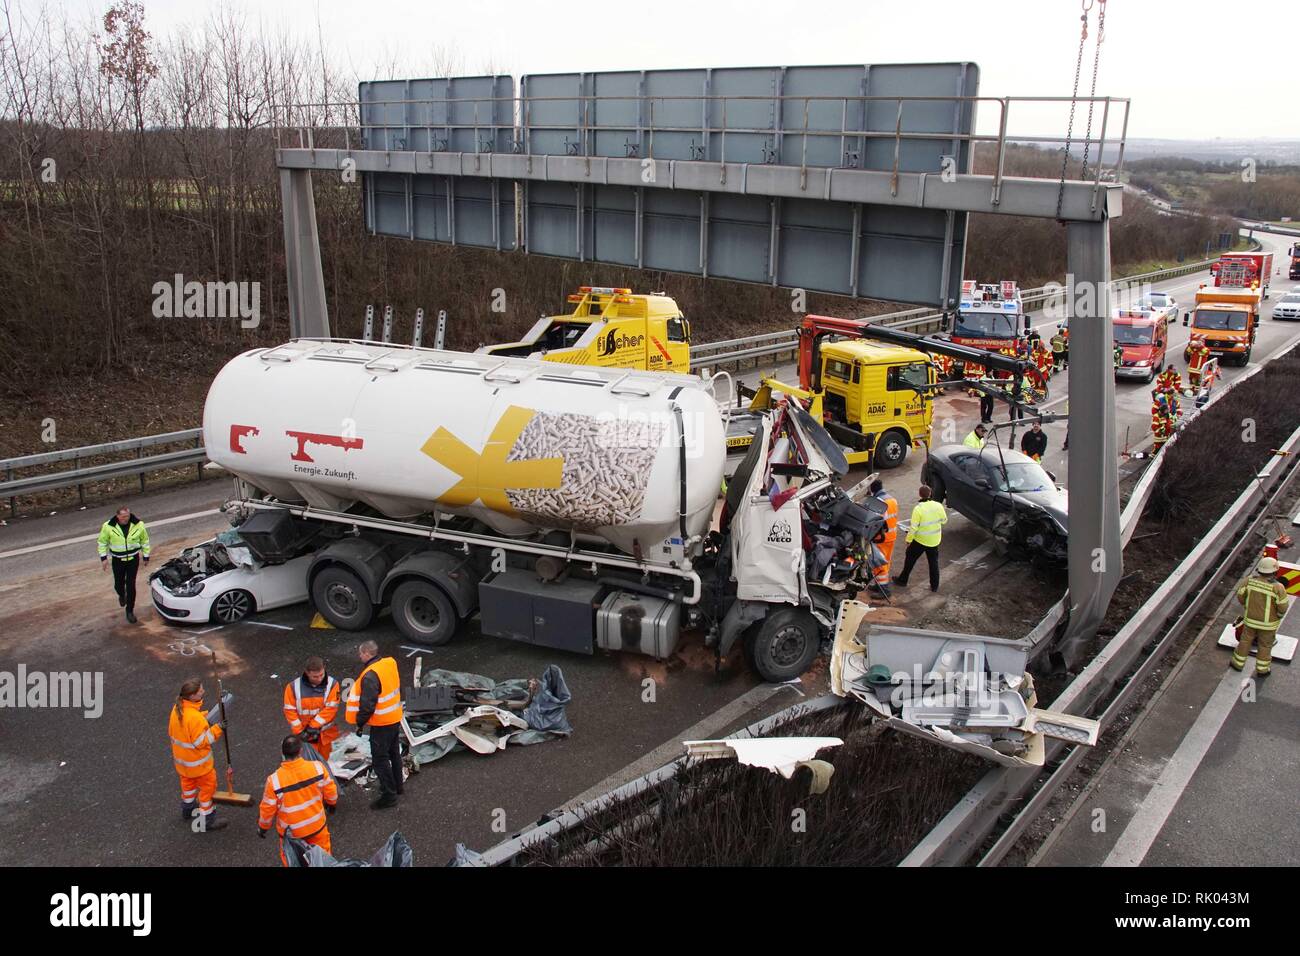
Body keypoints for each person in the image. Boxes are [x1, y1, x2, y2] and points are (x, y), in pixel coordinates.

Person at [258, 735, 338, 866]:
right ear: (301, 751)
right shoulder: (317, 768)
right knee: (323, 860)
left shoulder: (274, 781)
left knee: (294, 862)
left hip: (292, 833)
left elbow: (267, 809)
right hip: (317, 826)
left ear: (282, 753)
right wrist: (332, 804)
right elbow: (331, 790)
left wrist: (263, 827)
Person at [345, 640, 405, 809]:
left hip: (381, 723)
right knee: (394, 754)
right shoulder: (389, 663)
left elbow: (367, 705)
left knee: (380, 759)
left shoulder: (370, 675)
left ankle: (389, 795)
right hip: (394, 717)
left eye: (360, 653)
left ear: (366, 654)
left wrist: (359, 723)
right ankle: (398, 786)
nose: (359, 656)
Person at [168, 679, 231, 831]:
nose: (203, 691)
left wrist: (209, 715)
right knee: (208, 790)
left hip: (183, 763)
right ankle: (207, 820)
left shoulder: (178, 709)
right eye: (200, 691)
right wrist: (218, 728)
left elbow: (192, 722)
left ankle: (187, 808)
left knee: (188, 787)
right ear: (193, 696)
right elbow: (202, 741)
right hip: (199, 765)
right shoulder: (194, 718)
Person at [1232, 556, 1290, 679]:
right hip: (1268, 625)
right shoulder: (1278, 587)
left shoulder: (1249, 581)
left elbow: (1241, 595)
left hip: (1250, 621)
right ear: (1275, 571)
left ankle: (1237, 664)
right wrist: (1278, 616)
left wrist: (1247, 606)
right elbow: (1283, 606)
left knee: (1245, 641)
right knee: (1265, 646)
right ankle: (1262, 670)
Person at [98, 506, 150, 623]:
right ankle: (122, 595)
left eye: (127, 516)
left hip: (133, 560)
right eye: (123, 517)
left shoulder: (138, 524)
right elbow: (102, 542)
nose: (126, 519)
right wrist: (103, 558)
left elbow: (144, 540)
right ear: (118, 516)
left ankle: (130, 611)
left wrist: (146, 556)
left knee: (131, 585)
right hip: (118, 560)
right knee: (118, 584)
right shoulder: (108, 527)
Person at [283, 657, 341, 761]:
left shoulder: (333, 685)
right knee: (307, 765)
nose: (319, 679)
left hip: (324, 735)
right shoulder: (292, 688)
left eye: (321, 675)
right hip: (305, 736)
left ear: (324, 669)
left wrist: (313, 726)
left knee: (325, 763)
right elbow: (289, 711)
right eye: (315, 677)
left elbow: (331, 709)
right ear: (307, 673)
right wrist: (300, 732)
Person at [893, 484, 948, 593]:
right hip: (934, 540)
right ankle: (934, 586)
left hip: (920, 540)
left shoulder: (918, 509)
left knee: (910, 558)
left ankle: (903, 580)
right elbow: (944, 521)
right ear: (930, 493)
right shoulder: (938, 506)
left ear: (919, 495)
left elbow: (913, 528)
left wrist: (908, 540)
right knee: (933, 563)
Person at [869, 479, 899, 594]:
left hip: (881, 538)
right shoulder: (892, 499)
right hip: (891, 536)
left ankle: (884, 589)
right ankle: (879, 585)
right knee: (886, 561)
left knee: (879, 563)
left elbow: (875, 521)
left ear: (872, 489)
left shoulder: (878, 502)